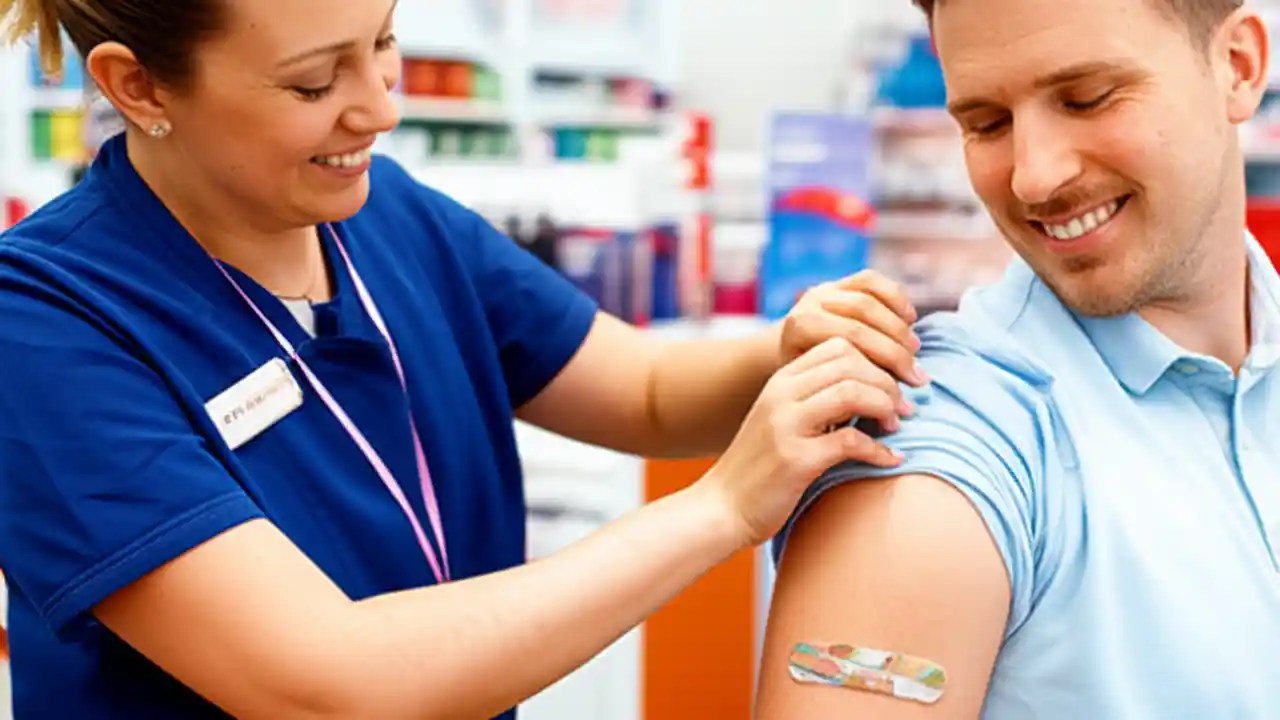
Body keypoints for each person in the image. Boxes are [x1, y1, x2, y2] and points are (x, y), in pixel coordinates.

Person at [0, 0, 929, 718]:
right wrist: (722, 507)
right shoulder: (49, 323)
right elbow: (328, 685)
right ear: (139, 87)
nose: (381, 106)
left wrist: (786, 354)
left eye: (383, 41)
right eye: (314, 84)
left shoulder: (385, 214)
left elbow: (641, 392)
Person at [756, 0, 1280, 718]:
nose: (1034, 178)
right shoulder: (937, 467)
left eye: (1087, 98)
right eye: (985, 124)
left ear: (1238, 66)